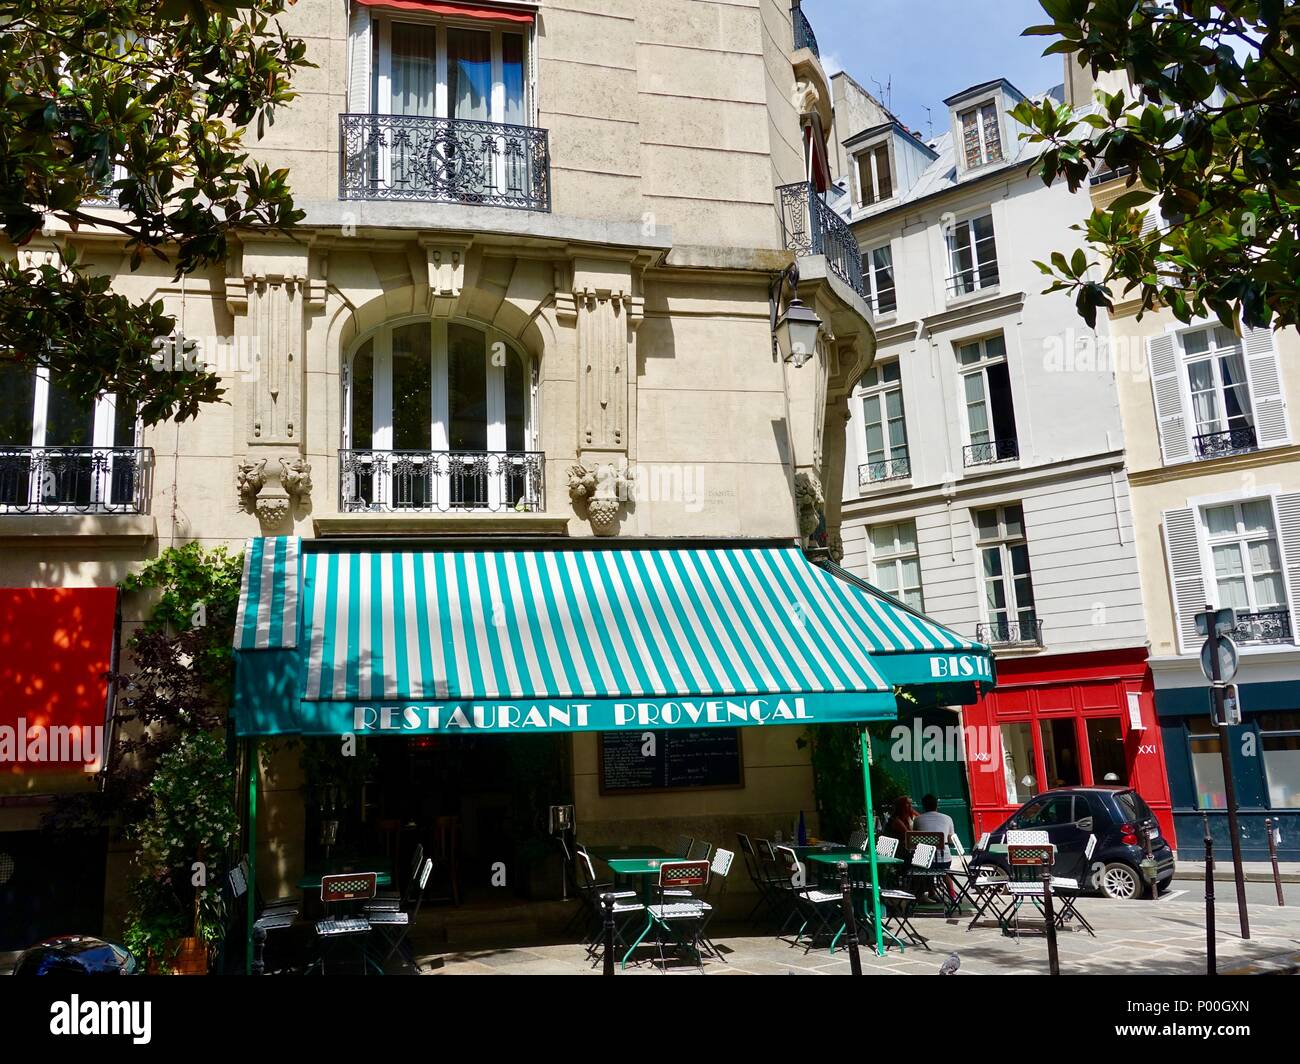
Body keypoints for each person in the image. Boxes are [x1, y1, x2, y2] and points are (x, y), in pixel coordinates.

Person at [913, 794, 959, 902]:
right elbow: (951, 839)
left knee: (926, 866)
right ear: (936, 805)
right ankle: (952, 894)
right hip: (943, 860)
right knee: (945, 872)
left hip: (923, 862)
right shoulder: (947, 818)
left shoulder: (918, 819)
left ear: (923, 806)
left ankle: (930, 892)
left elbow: (915, 838)